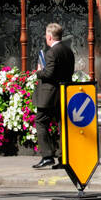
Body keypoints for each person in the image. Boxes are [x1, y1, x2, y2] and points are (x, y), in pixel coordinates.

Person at [31, 22, 74, 170]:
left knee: (40, 121)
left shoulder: (51, 52)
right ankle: (63, 158)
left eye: (46, 35)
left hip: (49, 95)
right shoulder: (68, 51)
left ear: (49, 37)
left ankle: (47, 156)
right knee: (62, 126)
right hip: (64, 93)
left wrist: (37, 72)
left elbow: (48, 73)